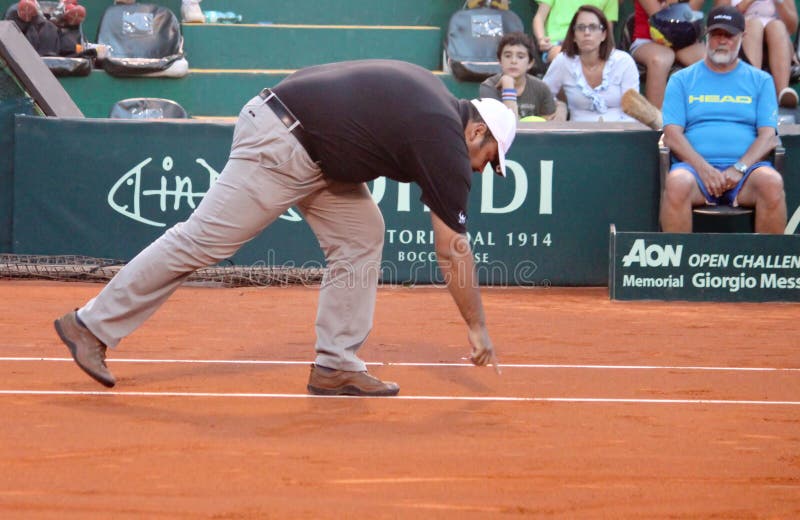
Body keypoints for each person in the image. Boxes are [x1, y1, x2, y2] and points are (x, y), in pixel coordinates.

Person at [53, 60, 515, 396]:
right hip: (283, 141)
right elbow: (452, 249)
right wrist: (476, 327)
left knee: (362, 236)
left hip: (311, 147)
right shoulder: (445, 140)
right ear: (477, 133)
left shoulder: (435, 101)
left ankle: (336, 364)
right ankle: (90, 325)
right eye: (488, 160)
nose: (480, 171)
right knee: (203, 241)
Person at [660, 6, 787, 233]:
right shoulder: (681, 79)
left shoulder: (761, 81)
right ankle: (677, 268)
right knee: (676, 182)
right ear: (706, 36)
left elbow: (768, 137)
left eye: (729, 35)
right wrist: (704, 169)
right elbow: (671, 135)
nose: (722, 41)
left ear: (742, 38)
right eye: (716, 34)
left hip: (747, 173)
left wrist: (739, 168)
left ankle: (766, 268)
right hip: (695, 172)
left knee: (771, 182)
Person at [541, 5, 639, 122]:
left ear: (604, 35)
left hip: (620, 133)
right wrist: (560, 106)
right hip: (578, 135)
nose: (587, 32)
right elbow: (542, 95)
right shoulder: (563, 61)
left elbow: (633, 110)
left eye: (593, 27)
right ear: (574, 36)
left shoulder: (624, 62)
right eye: (581, 28)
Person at [716, 0, 799, 108]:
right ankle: (753, 90)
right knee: (754, 25)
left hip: (778, 40)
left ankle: (782, 93)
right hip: (741, 35)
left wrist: (779, 3)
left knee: (777, 26)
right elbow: (720, 18)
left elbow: (792, 27)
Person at [631, 0, 705, 108]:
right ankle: (656, 120)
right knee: (660, 60)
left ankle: (709, 118)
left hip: (686, 41)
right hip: (648, 41)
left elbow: (687, 17)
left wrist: (675, 2)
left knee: (708, 59)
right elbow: (663, 21)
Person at [479, 32, 557, 120]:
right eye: (507, 56)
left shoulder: (541, 88)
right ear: (500, 60)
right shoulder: (489, 87)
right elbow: (508, 126)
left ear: (530, 63)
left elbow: (549, 126)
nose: (513, 61)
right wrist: (508, 87)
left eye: (520, 57)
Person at [532, 0, 618, 66]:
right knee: (562, 58)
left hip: (591, 44)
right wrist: (541, 40)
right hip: (558, 43)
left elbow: (607, 30)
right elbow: (539, 17)